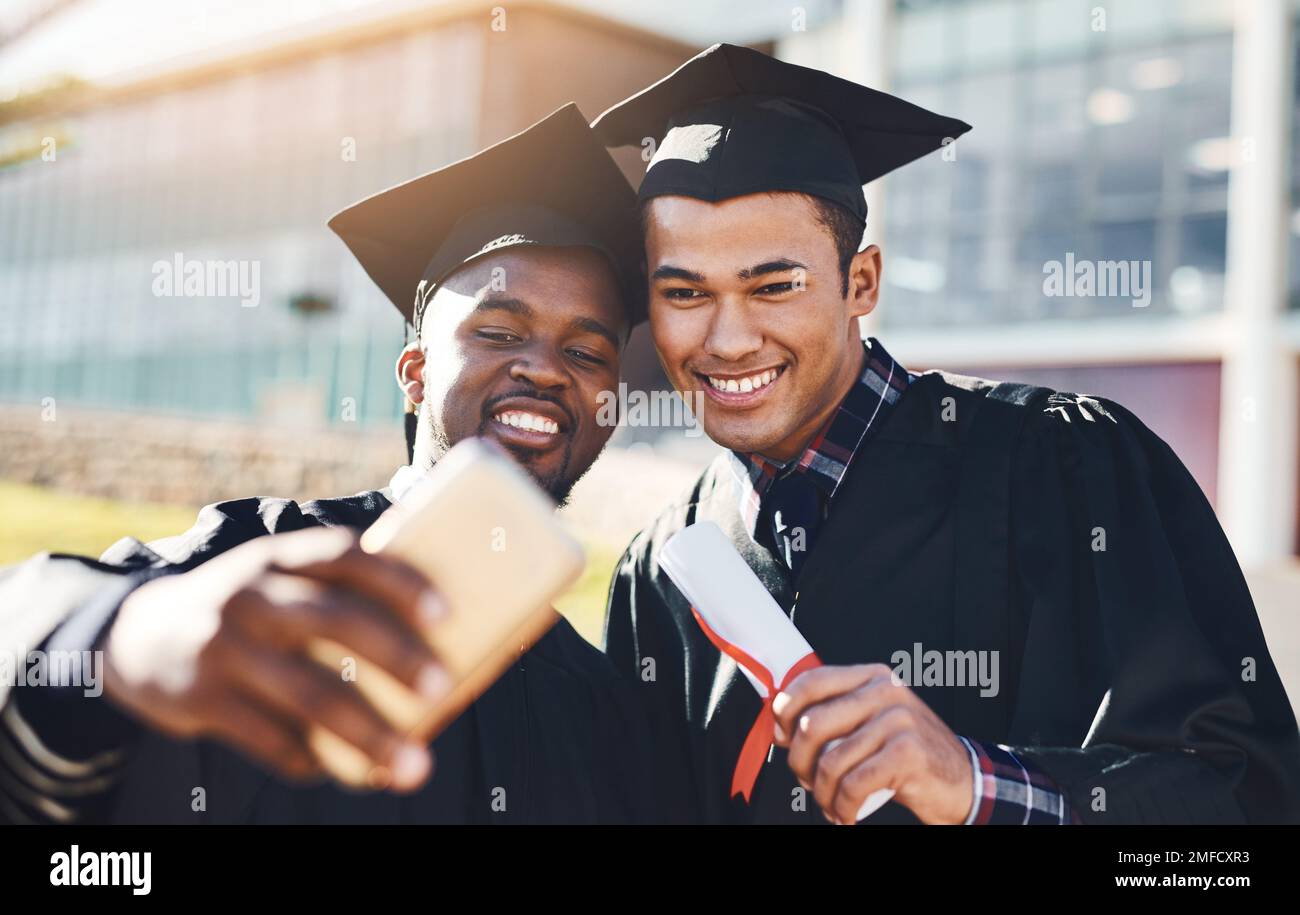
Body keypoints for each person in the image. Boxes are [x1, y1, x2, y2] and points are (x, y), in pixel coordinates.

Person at [596, 44, 1300, 825]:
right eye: (686, 292)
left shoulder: (1068, 468)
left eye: (774, 286)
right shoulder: (661, 576)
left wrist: (974, 786)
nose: (728, 340)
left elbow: (1239, 813)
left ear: (860, 282)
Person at [0, 104, 667, 824]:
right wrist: (120, 640)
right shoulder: (257, 569)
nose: (543, 368)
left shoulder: (601, 702)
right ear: (413, 373)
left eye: (586, 352)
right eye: (501, 331)